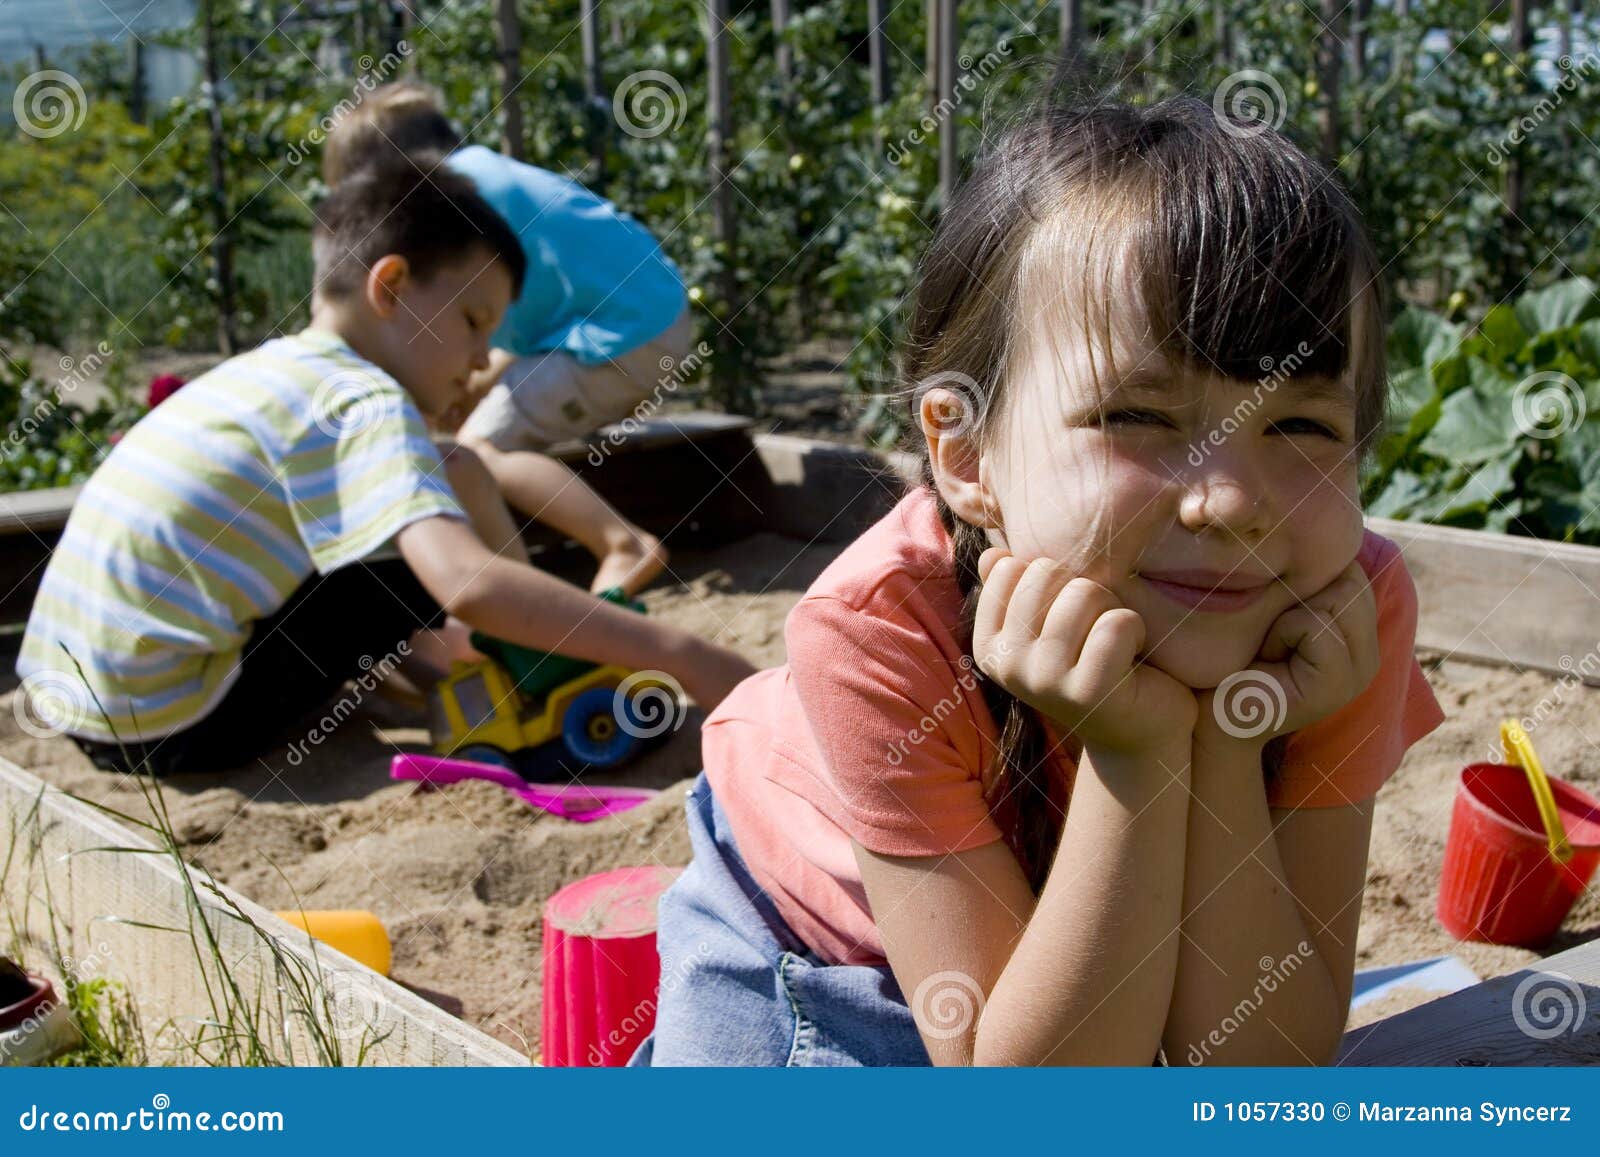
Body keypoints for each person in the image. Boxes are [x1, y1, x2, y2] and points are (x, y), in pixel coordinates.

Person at [628, 89, 1445, 1067]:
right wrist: (1139, 761)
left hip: (1096, 911)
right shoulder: (875, 637)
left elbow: (1259, 1057)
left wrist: (1223, 736)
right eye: (1138, 416)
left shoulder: (1340, 611)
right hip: (832, 926)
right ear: (968, 456)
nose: (1230, 499)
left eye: (1301, 426)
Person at [14, 154, 752, 777]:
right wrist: (682, 653)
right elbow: (473, 582)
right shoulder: (366, 400)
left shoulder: (276, 373)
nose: (477, 361)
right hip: (175, 728)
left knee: (448, 471)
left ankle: (485, 667)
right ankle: (502, 679)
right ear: (391, 286)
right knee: (415, 556)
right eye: (471, 323)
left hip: (77, 701)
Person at [322, 81, 690, 599]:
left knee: (479, 450)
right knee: (475, 428)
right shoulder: (484, 177)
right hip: (637, 319)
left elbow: (457, 329)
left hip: (623, 335)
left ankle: (622, 544)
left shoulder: (457, 199)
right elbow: (503, 334)